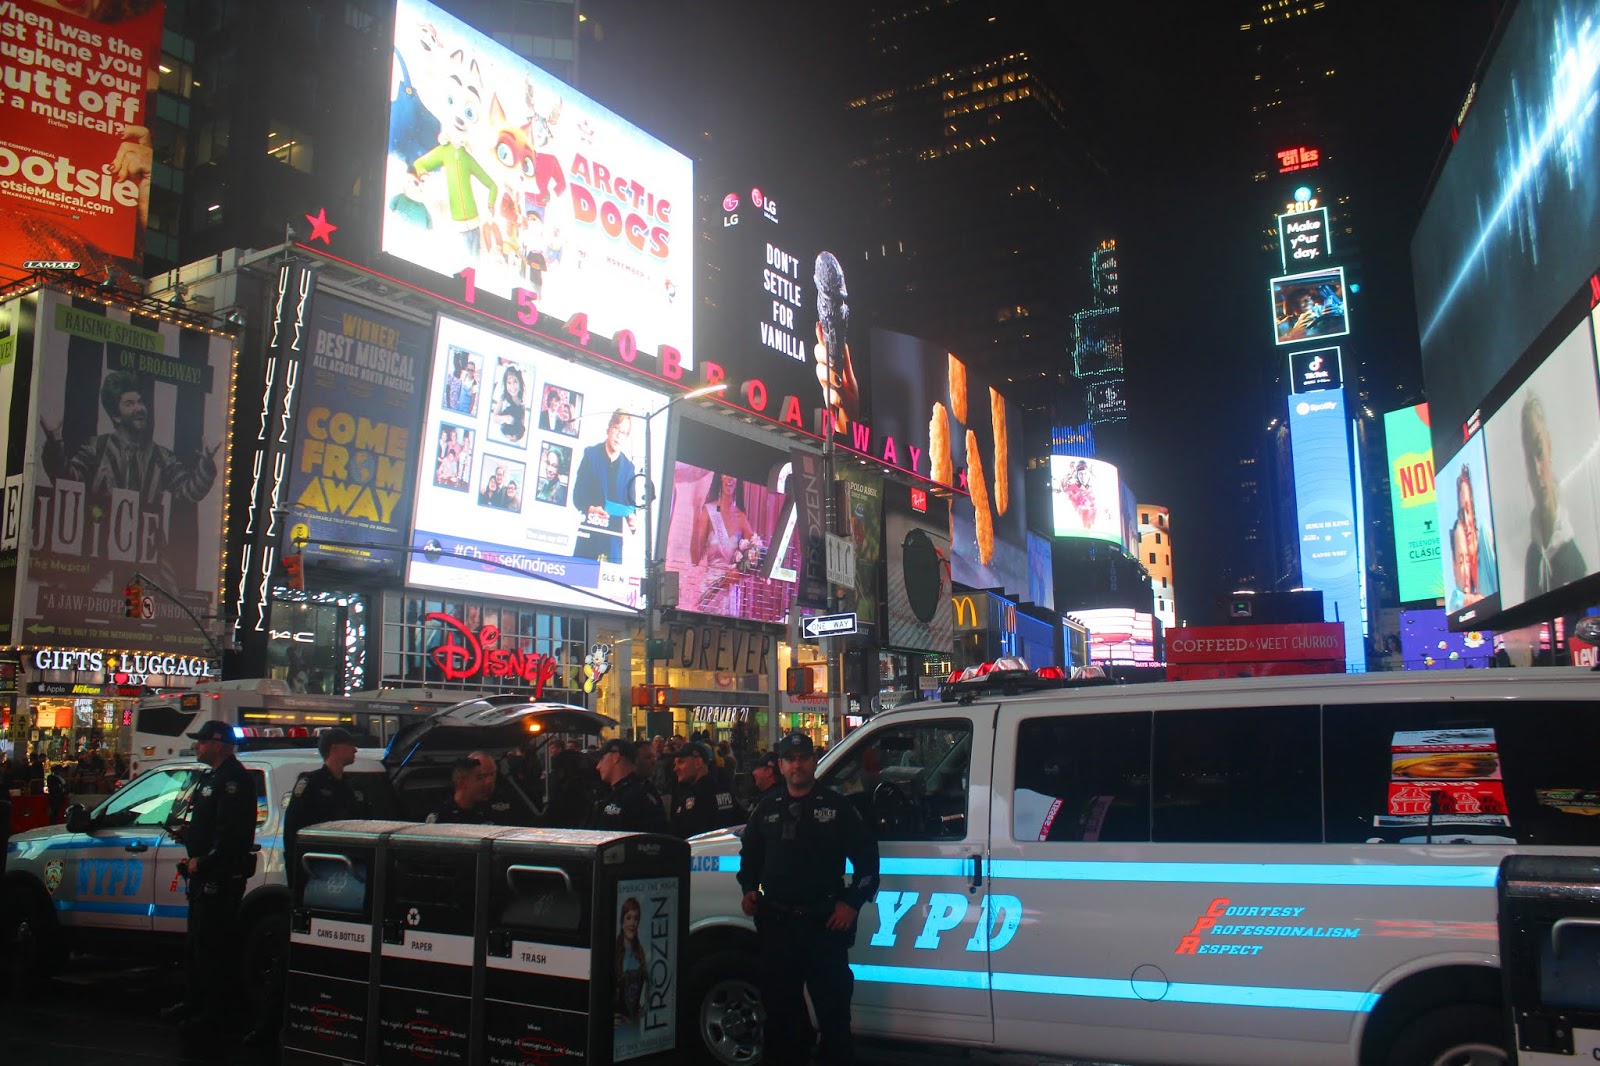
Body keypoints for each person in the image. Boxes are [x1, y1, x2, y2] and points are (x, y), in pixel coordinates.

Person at [738, 733, 879, 1065]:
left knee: (834, 1020)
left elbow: (868, 863)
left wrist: (852, 904)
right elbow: (751, 860)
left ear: (813, 762)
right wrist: (750, 891)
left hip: (823, 927)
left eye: (802, 758)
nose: (797, 765)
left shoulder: (837, 807)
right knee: (782, 1020)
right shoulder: (767, 808)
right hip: (777, 927)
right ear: (781, 766)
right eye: (790, 759)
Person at [39, 369, 219, 583]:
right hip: (98, 555)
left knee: (157, 608)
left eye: (140, 402)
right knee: (78, 605)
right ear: (115, 415)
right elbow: (67, 479)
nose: (139, 408)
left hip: (147, 559)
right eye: (129, 404)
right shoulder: (96, 449)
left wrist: (206, 465)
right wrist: (54, 443)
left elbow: (189, 492)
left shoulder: (161, 456)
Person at [161, 720, 258, 1040]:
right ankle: (193, 1003)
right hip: (202, 873)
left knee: (213, 946)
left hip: (219, 874)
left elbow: (231, 833)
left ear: (219, 744)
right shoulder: (213, 777)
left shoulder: (235, 780)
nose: (197, 746)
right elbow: (210, 823)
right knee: (196, 945)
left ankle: (213, 1014)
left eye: (202, 741)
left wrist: (205, 860)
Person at [282, 727, 370, 884]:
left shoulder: (352, 786)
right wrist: (296, 872)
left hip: (348, 866)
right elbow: (292, 828)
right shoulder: (311, 783)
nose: (355, 750)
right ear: (334, 748)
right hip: (317, 866)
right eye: (350, 744)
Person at [1521, 394, 1588, 596]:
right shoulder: (1533, 556)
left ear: (1549, 446)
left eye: (1539, 450)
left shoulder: (1576, 551)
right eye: (1528, 456)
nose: (1536, 468)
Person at [572, 410, 638, 562]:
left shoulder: (629, 468)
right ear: (609, 429)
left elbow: (631, 507)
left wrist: (633, 519)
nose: (619, 435)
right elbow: (578, 496)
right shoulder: (591, 454)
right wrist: (591, 509)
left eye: (624, 432)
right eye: (616, 428)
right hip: (588, 538)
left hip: (612, 544)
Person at [691, 472, 759, 614]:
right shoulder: (708, 511)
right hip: (711, 588)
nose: (729, 478)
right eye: (725, 474)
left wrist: (739, 573)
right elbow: (695, 558)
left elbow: (755, 556)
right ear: (719, 477)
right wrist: (695, 512)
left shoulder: (741, 517)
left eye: (734, 474)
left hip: (731, 592)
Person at [587, 738, 669, 833]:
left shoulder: (639, 796)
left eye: (602, 759)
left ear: (616, 757)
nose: (598, 766)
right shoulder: (609, 792)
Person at [669, 742, 743, 839]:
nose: (675, 768)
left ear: (698, 763)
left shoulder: (700, 795)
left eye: (681, 762)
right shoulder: (723, 789)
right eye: (675, 764)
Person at [426, 752, 498, 824]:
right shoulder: (442, 818)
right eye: (480, 778)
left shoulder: (490, 810)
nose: (486, 782)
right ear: (462, 783)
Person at [614, 896, 647, 1028]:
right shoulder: (614, 952)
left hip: (634, 1026)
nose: (632, 923)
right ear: (622, 922)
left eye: (636, 918)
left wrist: (644, 1008)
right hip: (618, 1029)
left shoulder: (640, 953)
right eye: (628, 918)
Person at [492, 364, 529, 444]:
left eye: (515, 382)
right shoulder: (503, 398)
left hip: (515, 438)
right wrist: (506, 418)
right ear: (505, 384)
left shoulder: (522, 401)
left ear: (520, 383)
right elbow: (495, 418)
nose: (512, 386)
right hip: (502, 435)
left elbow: (522, 423)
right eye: (509, 383)